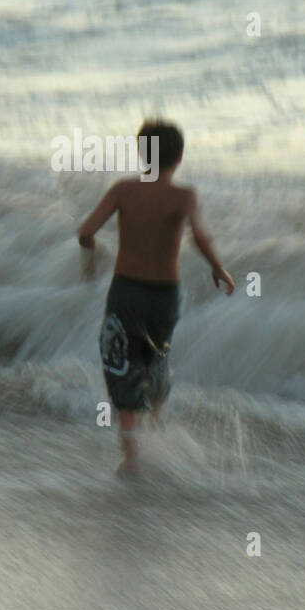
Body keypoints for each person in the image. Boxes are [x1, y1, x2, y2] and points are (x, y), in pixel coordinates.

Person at [76, 120, 234, 477]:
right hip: (165, 297)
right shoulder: (184, 197)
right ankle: (156, 435)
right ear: (179, 157)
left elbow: (85, 232)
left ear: (141, 153)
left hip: (127, 292)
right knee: (155, 359)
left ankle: (133, 457)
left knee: (122, 366)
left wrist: (91, 257)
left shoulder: (123, 191)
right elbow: (199, 237)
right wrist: (218, 268)